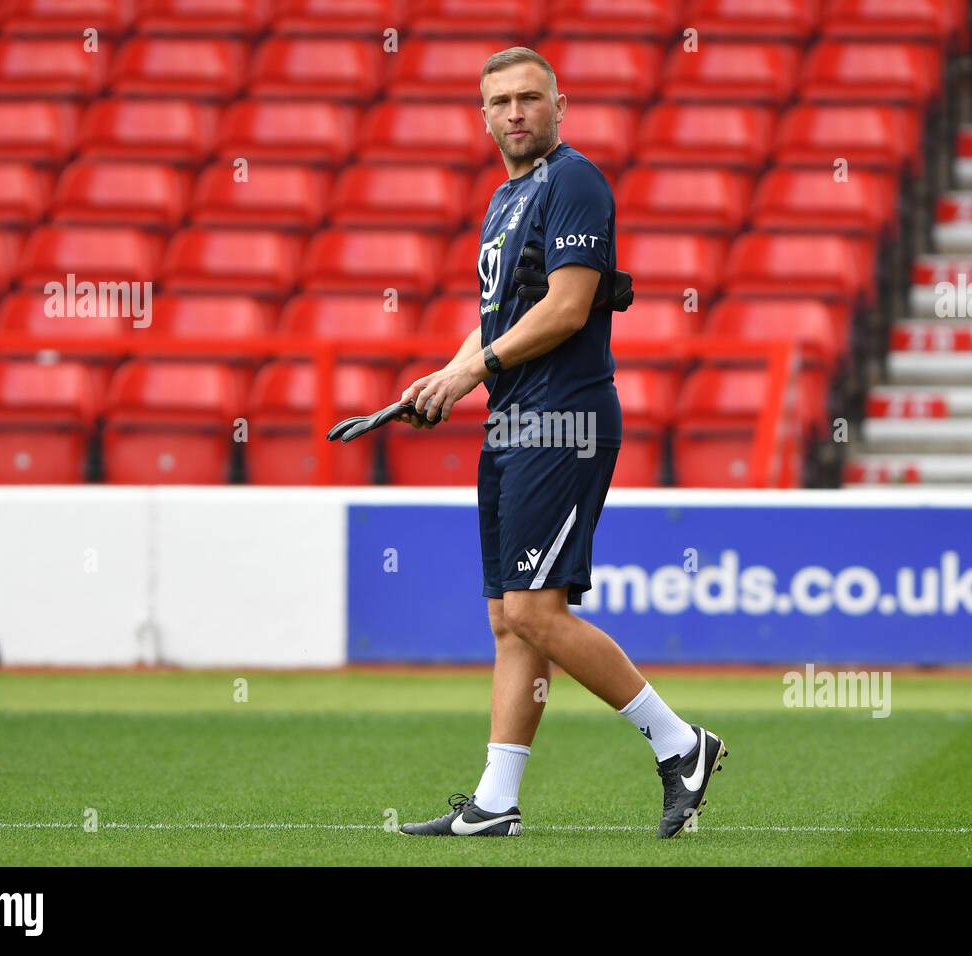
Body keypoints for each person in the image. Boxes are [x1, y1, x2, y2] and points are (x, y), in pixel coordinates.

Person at [396, 47, 726, 839]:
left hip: (562, 422)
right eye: (500, 101)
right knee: (510, 621)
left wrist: (471, 370)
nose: (516, 113)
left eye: (530, 98)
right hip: (515, 423)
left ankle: (682, 745)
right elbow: (502, 323)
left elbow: (570, 308)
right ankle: (496, 802)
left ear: (559, 105)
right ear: (483, 116)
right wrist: (439, 377)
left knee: (538, 613)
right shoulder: (504, 200)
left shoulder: (574, 180)